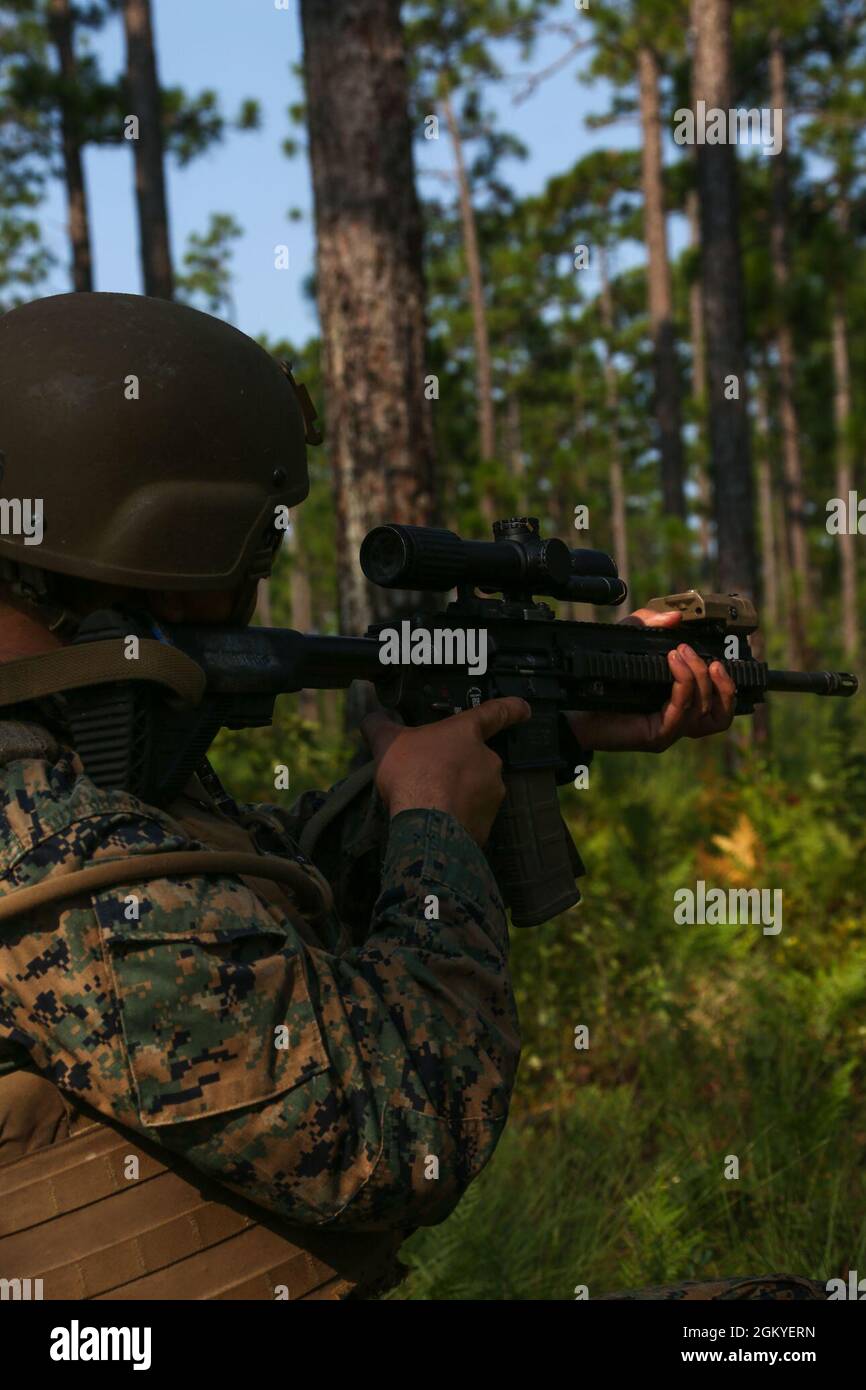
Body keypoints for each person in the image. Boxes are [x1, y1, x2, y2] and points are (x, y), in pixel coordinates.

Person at [0, 292, 735, 1301]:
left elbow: (240, 900)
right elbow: (399, 1133)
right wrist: (438, 836)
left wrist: (530, 731)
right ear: (175, 550)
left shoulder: (52, 763)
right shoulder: (48, 846)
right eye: (256, 547)